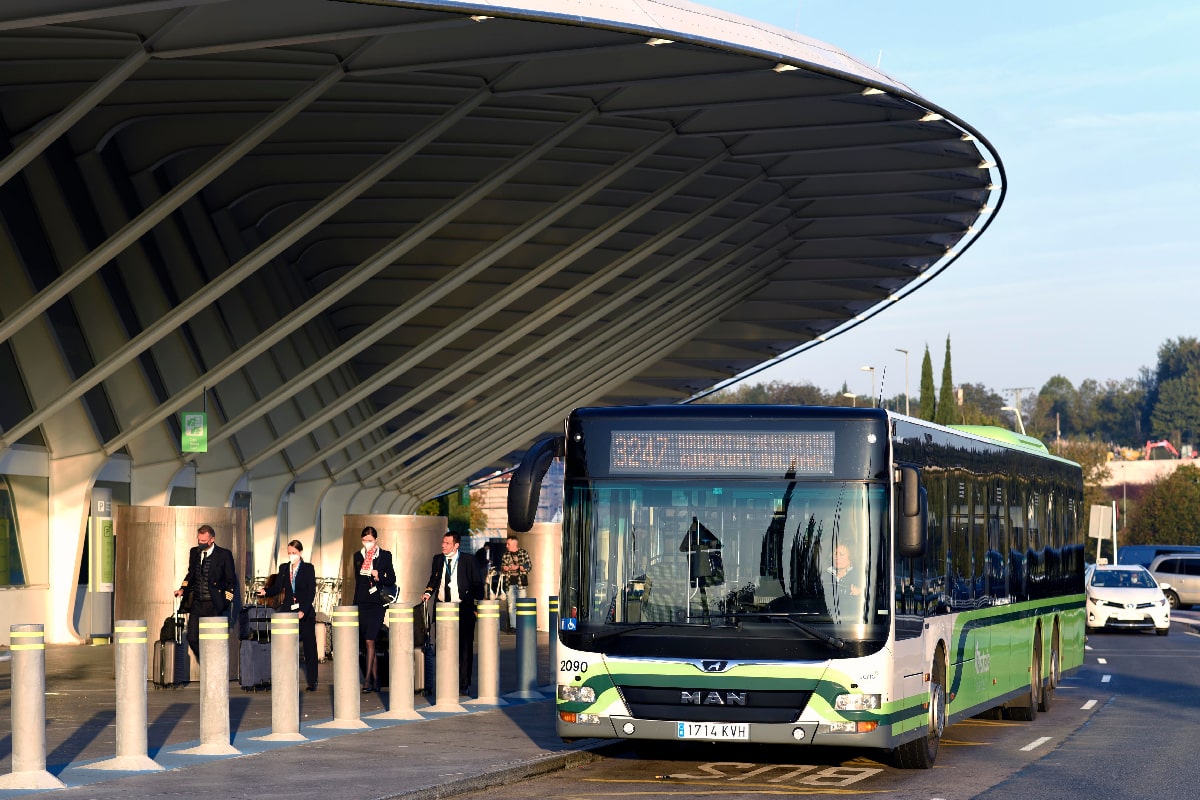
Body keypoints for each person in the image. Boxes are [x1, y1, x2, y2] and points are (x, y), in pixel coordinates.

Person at [421, 532, 485, 696]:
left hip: (463, 608)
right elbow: (434, 579)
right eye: (443, 542)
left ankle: (463, 684)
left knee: (464, 648)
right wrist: (428, 592)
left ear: (456, 545)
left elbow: (478, 584)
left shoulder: (468, 560)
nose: (443, 545)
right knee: (444, 647)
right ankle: (445, 681)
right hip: (443, 608)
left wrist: (477, 606)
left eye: (447, 543)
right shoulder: (438, 559)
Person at [257, 539, 319, 691]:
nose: (292, 555)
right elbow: (278, 587)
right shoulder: (284, 568)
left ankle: (312, 681)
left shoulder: (308, 568)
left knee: (309, 646)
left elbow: (311, 592)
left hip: (304, 612)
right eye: (289, 553)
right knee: (285, 646)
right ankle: (284, 677)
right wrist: (266, 591)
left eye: (294, 553)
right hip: (288, 611)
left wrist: (303, 610)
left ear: (300, 553)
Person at [175, 524, 238, 661]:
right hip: (197, 603)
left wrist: (226, 600)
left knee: (214, 640)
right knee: (191, 637)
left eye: (204, 541)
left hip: (214, 604)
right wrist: (182, 589)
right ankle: (207, 661)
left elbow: (231, 581)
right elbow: (190, 574)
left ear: (212, 539)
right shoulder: (194, 552)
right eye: (199, 540)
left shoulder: (224, 555)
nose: (200, 543)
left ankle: (215, 668)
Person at [353, 526, 396, 693]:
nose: (367, 544)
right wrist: (354, 603)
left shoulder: (385, 555)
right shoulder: (358, 556)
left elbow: (392, 578)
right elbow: (358, 581)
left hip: (377, 602)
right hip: (363, 601)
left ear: (375, 540)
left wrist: (379, 576)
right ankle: (376, 680)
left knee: (370, 640)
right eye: (365, 540)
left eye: (370, 540)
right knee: (368, 642)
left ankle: (367, 681)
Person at [499, 535, 532, 631]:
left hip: (521, 583)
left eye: (508, 543)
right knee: (511, 605)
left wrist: (517, 567)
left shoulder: (523, 553)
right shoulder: (506, 555)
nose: (506, 545)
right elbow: (502, 568)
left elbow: (528, 566)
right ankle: (514, 626)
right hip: (510, 583)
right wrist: (504, 569)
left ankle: (522, 625)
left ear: (514, 544)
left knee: (522, 605)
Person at [824, 542, 863, 618]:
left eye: (841, 554)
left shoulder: (860, 577)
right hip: (825, 621)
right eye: (835, 554)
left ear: (851, 557)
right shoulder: (824, 576)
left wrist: (861, 592)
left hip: (851, 622)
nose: (836, 557)